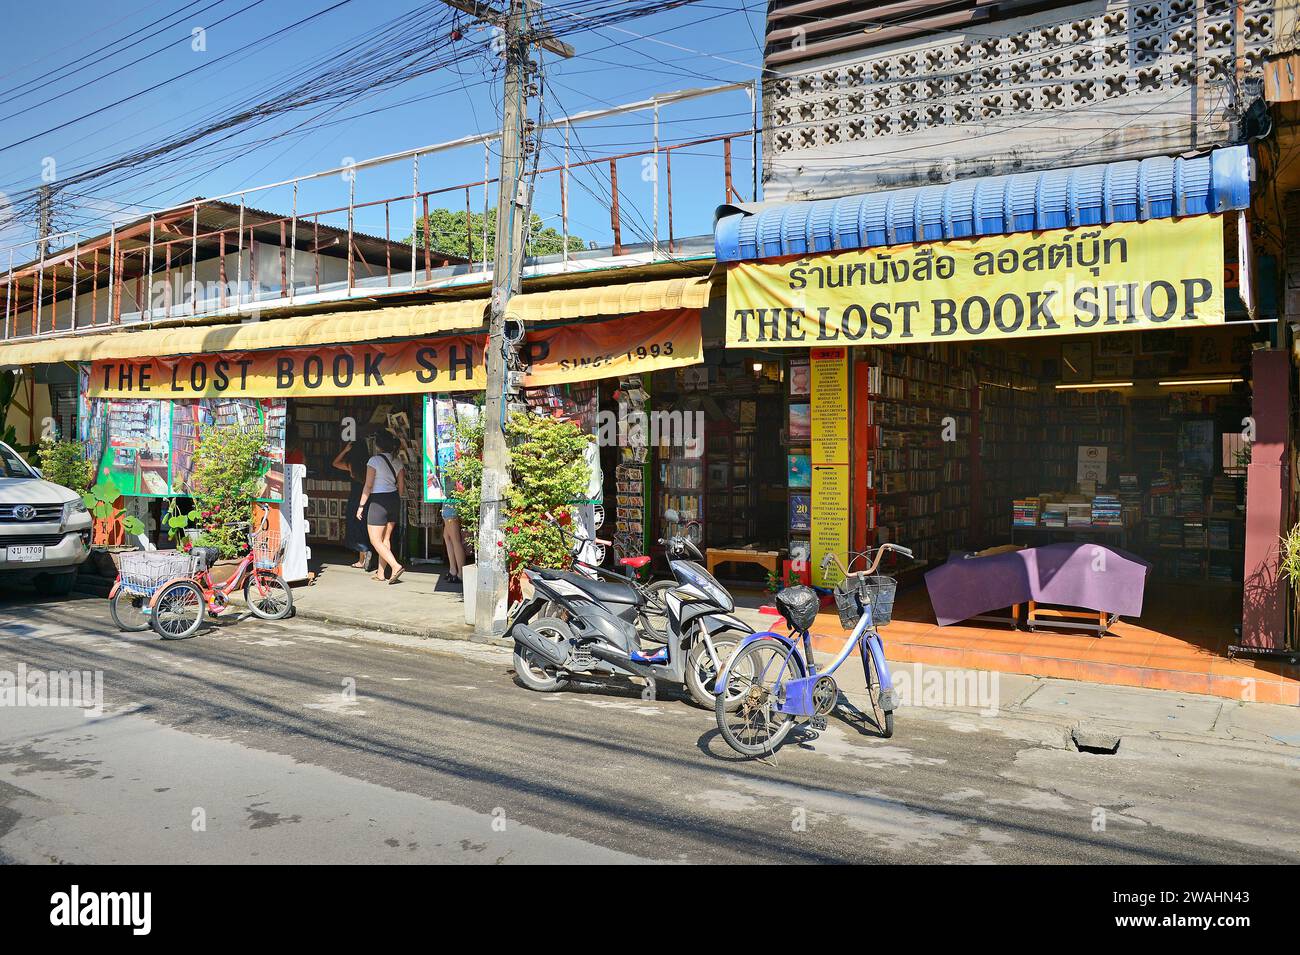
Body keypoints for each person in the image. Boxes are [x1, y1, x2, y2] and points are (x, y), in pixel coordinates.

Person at [357, 430, 406, 584]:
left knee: (375, 540)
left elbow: (368, 485)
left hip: (378, 501)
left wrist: (361, 506)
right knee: (386, 538)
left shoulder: (374, 461)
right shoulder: (398, 462)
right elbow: (402, 488)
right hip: (393, 500)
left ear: (378, 446)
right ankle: (381, 573)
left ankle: (395, 566)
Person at [332, 439, 373, 571]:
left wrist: (345, 450)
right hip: (368, 498)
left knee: (356, 526)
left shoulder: (352, 465)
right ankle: (366, 552)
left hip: (355, 498)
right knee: (366, 526)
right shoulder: (370, 464)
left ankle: (362, 557)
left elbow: (335, 463)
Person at [442, 501, 467, 585]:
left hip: (450, 504)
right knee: (447, 536)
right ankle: (453, 570)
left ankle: (461, 573)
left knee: (455, 539)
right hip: (449, 504)